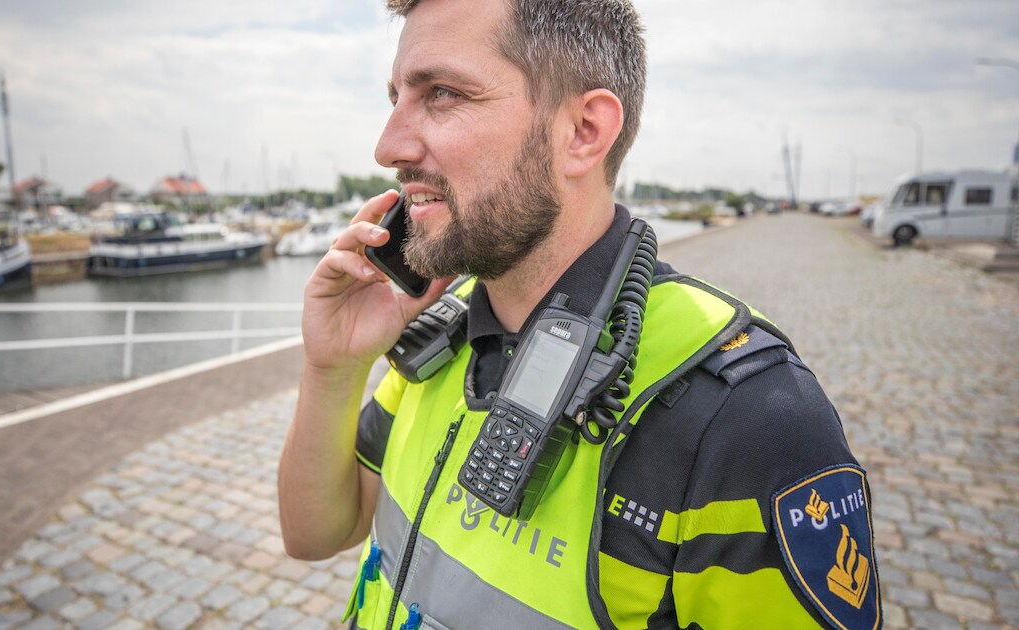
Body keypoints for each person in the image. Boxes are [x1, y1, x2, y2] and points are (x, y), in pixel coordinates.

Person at [278, 0, 879, 628]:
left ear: (584, 132)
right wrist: (334, 366)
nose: (387, 146)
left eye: (443, 94)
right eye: (396, 97)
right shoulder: (444, 333)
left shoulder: (749, 416)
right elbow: (315, 534)